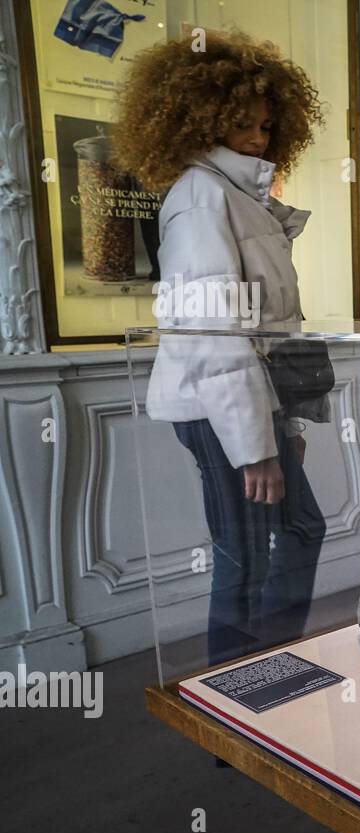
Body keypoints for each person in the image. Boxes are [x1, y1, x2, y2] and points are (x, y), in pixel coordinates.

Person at [113, 31, 327, 668]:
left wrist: (278, 425)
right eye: (242, 124)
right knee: (249, 553)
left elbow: (257, 330)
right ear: (200, 118)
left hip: (244, 406)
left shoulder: (235, 196)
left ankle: (263, 679)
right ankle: (242, 697)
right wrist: (255, 444)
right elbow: (212, 335)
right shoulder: (201, 197)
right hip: (220, 410)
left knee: (287, 535)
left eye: (265, 124)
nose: (259, 137)